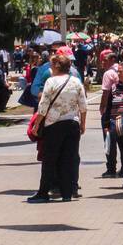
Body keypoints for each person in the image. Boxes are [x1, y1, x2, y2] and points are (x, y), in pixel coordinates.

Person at [27, 54, 87, 204]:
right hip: (72, 124)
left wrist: (36, 124)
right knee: (68, 159)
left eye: (51, 65)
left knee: (49, 160)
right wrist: (83, 124)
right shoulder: (76, 81)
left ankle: (43, 192)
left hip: (54, 125)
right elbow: (83, 105)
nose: (49, 68)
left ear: (58, 66)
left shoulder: (51, 82)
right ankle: (67, 193)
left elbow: (43, 105)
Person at [97, 50, 122, 179]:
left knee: (109, 138)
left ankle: (111, 168)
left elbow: (106, 93)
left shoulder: (109, 73)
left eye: (105, 60)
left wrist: (102, 107)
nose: (102, 63)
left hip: (110, 110)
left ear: (112, 60)